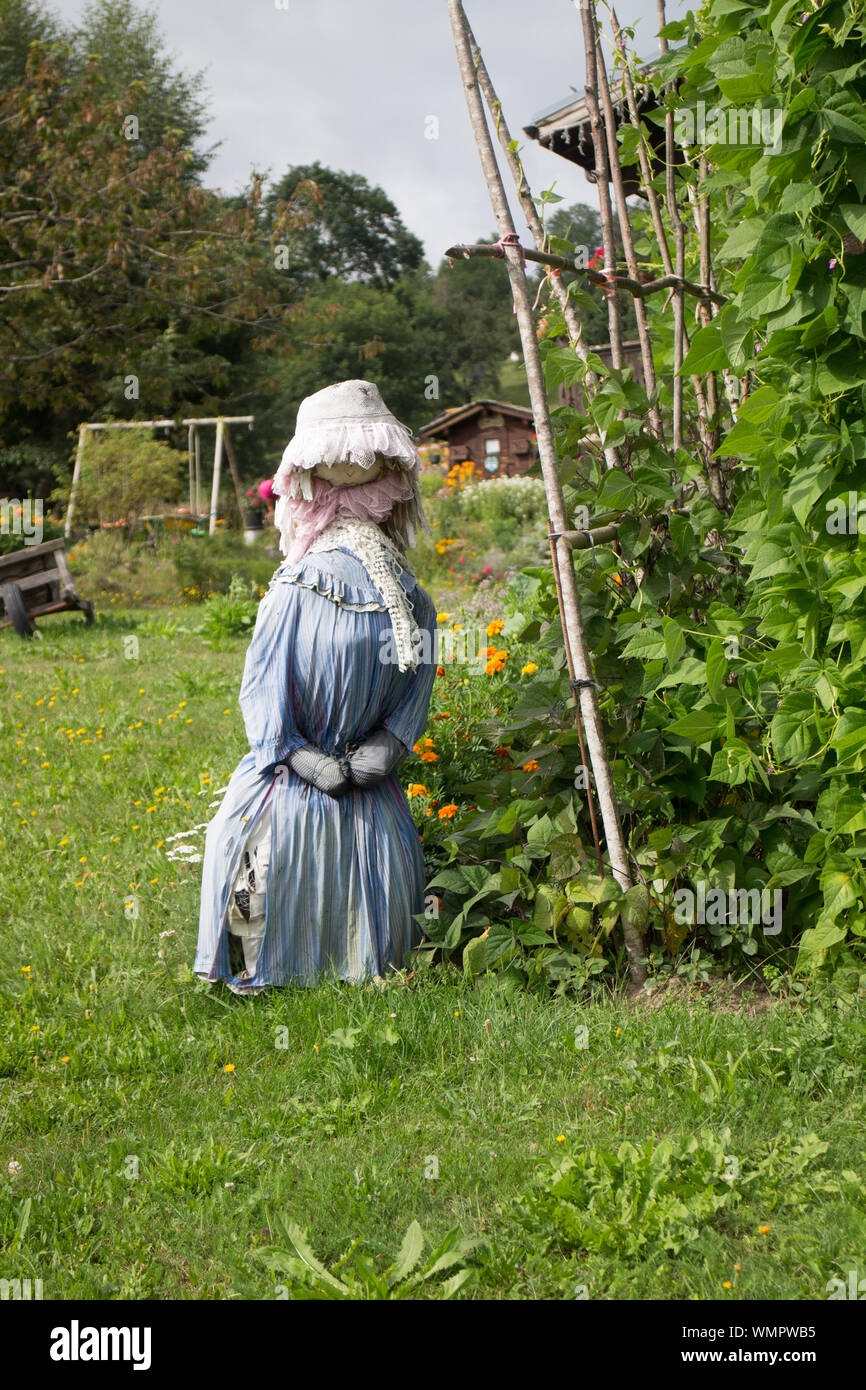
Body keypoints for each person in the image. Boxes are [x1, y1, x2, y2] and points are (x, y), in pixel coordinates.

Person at [194, 380, 437, 995]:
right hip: (292, 779)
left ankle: (365, 958)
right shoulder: (295, 589)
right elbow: (263, 684)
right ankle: (255, 959)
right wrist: (297, 753)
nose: (356, 466)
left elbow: (419, 675)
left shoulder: (409, 596)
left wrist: (392, 741)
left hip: (368, 781)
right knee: (255, 867)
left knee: (384, 883)